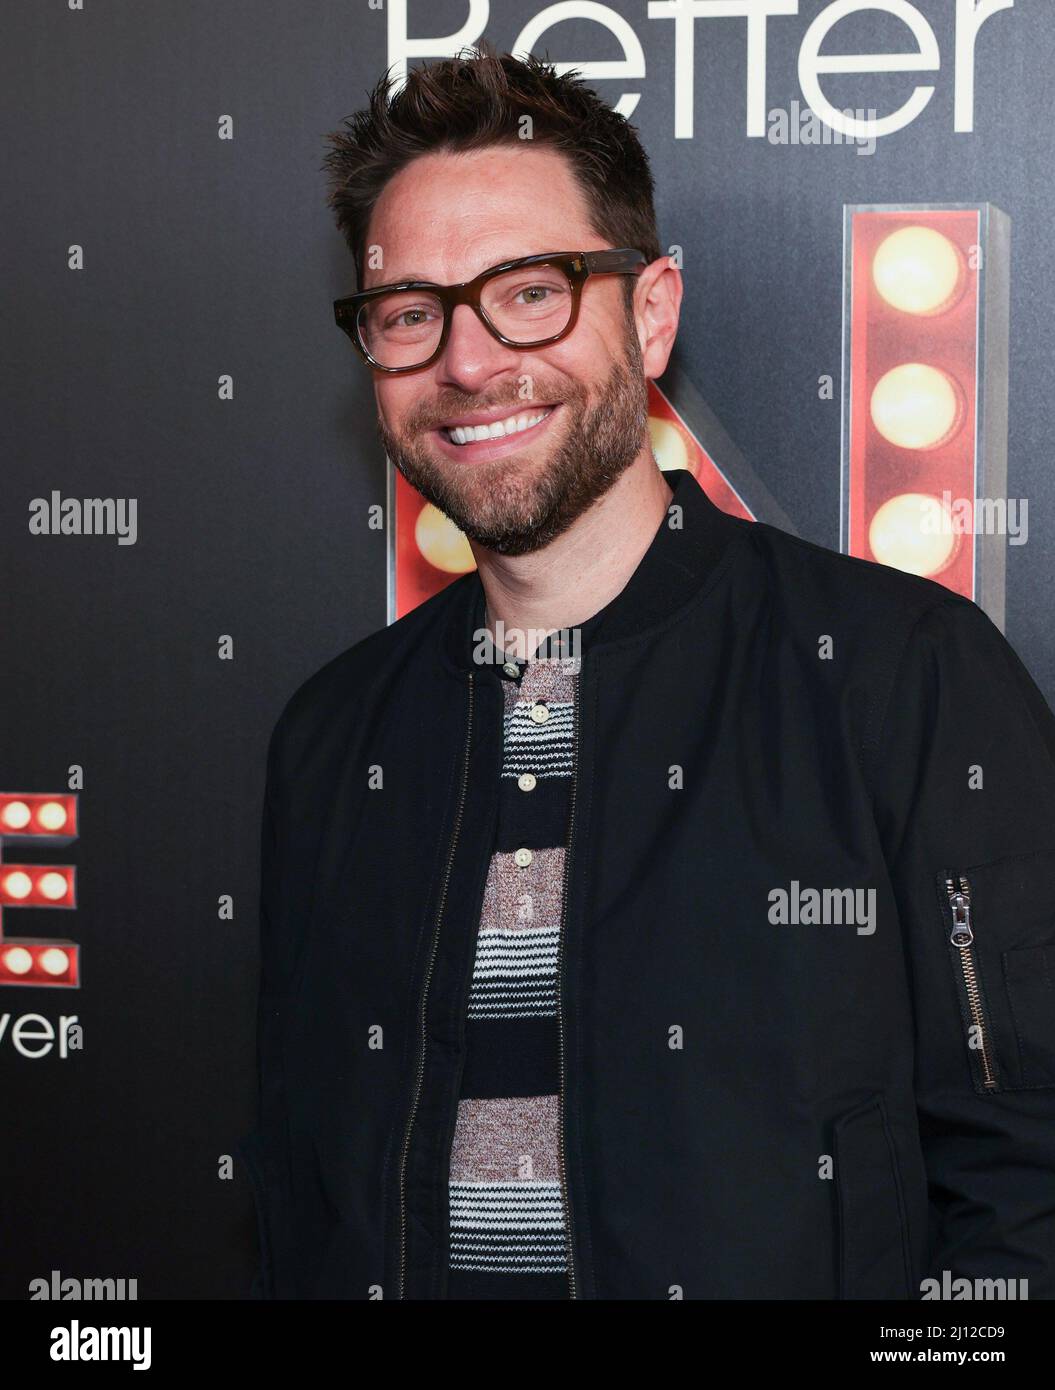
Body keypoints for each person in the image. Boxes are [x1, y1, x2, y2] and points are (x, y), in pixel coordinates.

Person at [236, 44, 1055, 1300]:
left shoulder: (906, 679)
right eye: (410, 312)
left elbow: (1022, 1194)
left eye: (527, 291)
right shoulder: (332, 736)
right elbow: (300, 1199)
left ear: (652, 310)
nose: (465, 363)